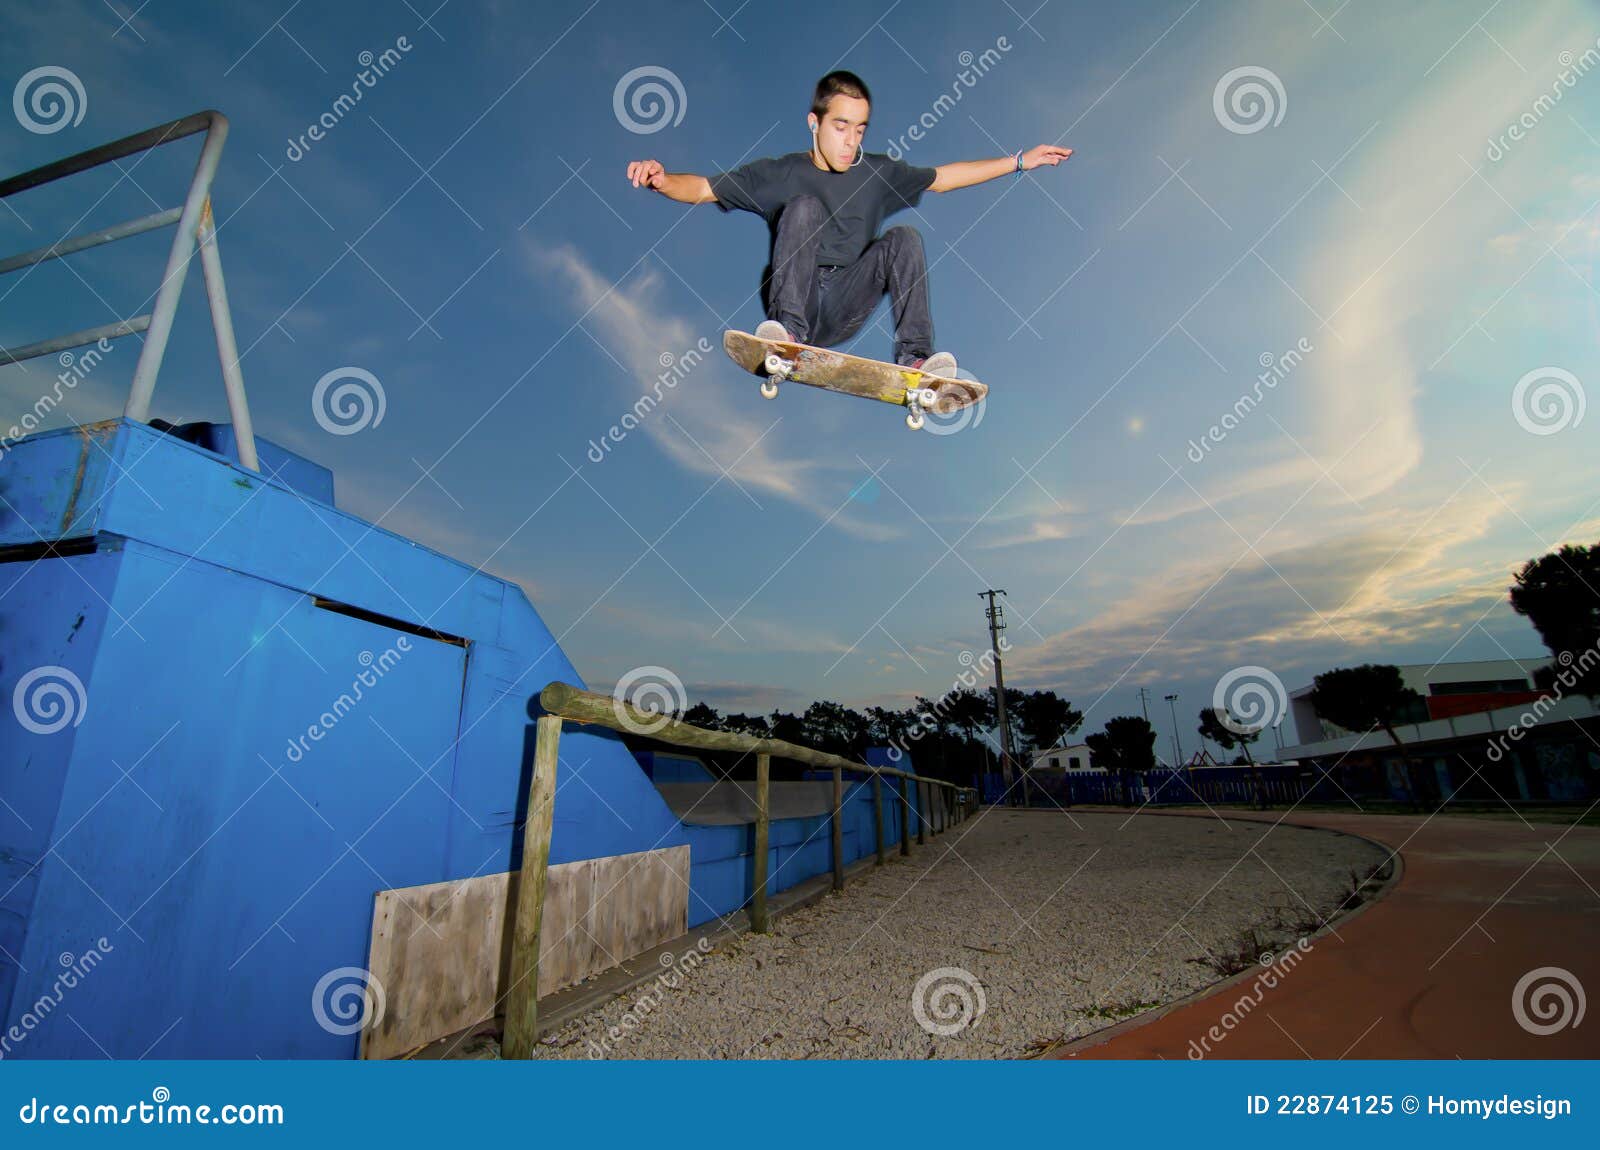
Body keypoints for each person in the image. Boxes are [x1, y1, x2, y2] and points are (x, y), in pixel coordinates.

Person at [626, 70, 1071, 375]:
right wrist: (662, 180)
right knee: (804, 208)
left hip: (846, 302)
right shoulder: (779, 173)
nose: (850, 142)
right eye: (840, 127)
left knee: (905, 238)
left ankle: (916, 360)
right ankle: (789, 336)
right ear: (814, 123)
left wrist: (1017, 162)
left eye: (860, 129)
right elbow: (703, 188)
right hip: (793, 297)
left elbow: (944, 178)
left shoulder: (877, 174)